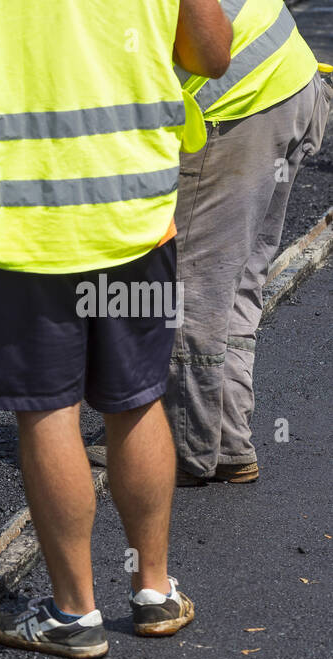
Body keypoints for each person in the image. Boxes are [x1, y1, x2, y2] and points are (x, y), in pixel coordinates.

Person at [0, 0, 232, 659]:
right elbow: (211, 54)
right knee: (136, 399)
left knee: (47, 410)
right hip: (135, 207)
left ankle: (74, 614)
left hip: (26, 215)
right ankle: (153, 590)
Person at [168, 0, 332, 486]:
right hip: (288, 84)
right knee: (234, 279)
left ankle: (184, 447)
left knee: (185, 289)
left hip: (233, 105)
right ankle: (226, 441)